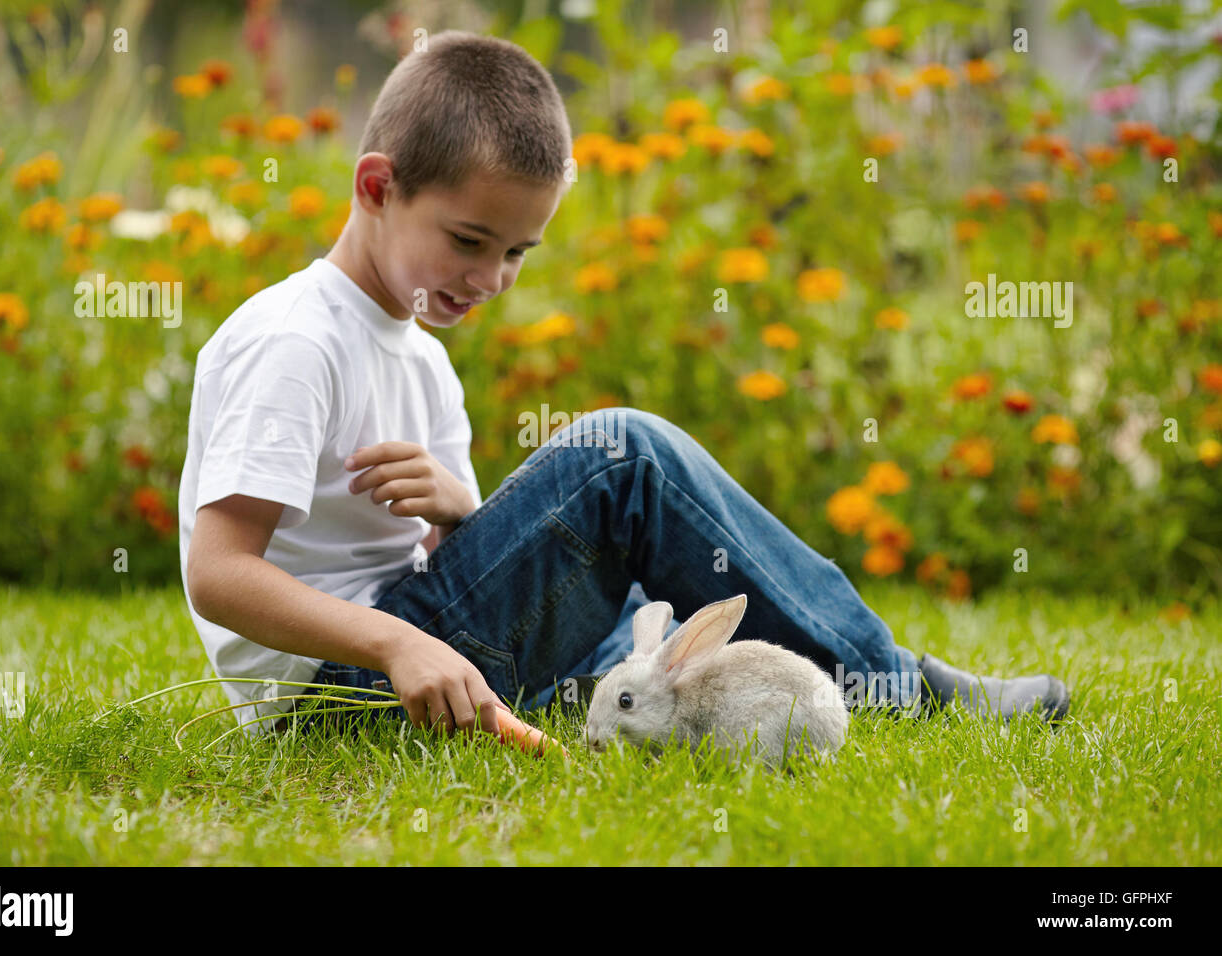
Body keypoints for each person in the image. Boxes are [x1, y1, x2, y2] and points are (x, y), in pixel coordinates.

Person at [178, 30, 1069, 745]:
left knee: (648, 619)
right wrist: (394, 641)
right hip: (343, 696)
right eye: (470, 240)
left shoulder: (421, 355)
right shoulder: (296, 339)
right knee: (622, 455)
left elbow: (478, 575)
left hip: (426, 656)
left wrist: (457, 512)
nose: (492, 278)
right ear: (378, 186)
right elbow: (219, 574)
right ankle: (894, 683)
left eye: (519, 252)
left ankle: (771, 701)